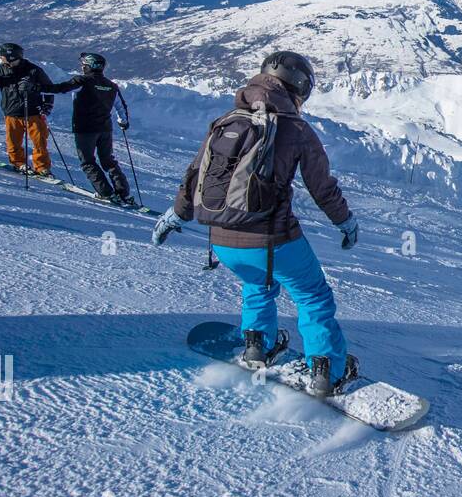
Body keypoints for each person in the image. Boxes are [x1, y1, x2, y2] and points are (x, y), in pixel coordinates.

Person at [152, 51, 361, 398]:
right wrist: (346, 222)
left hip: (221, 240)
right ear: (299, 87)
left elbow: (193, 176)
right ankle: (328, 372)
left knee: (257, 284)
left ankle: (256, 348)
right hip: (273, 241)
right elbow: (321, 187)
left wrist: (176, 215)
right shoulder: (296, 129)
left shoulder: (225, 120)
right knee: (313, 296)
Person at [48, 52, 135, 204]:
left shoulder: (82, 80)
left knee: (88, 161)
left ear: (88, 66)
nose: (82, 67)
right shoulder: (111, 85)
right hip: (105, 128)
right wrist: (123, 122)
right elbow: (120, 106)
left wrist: (35, 88)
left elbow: (60, 89)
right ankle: (123, 193)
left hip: (85, 128)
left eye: (83, 65)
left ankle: (106, 193)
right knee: (109, 161)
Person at [0, 42, 55, 176]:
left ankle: (42, 167)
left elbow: (48, 88)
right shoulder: (1, 69)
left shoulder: (33, 70)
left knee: (40, 142)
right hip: (11, 113)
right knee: (13, 142)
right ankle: (18, 163)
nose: (0, 59)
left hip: (33, 112)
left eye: (2, 56)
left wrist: (47, 105)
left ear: (11, 57)